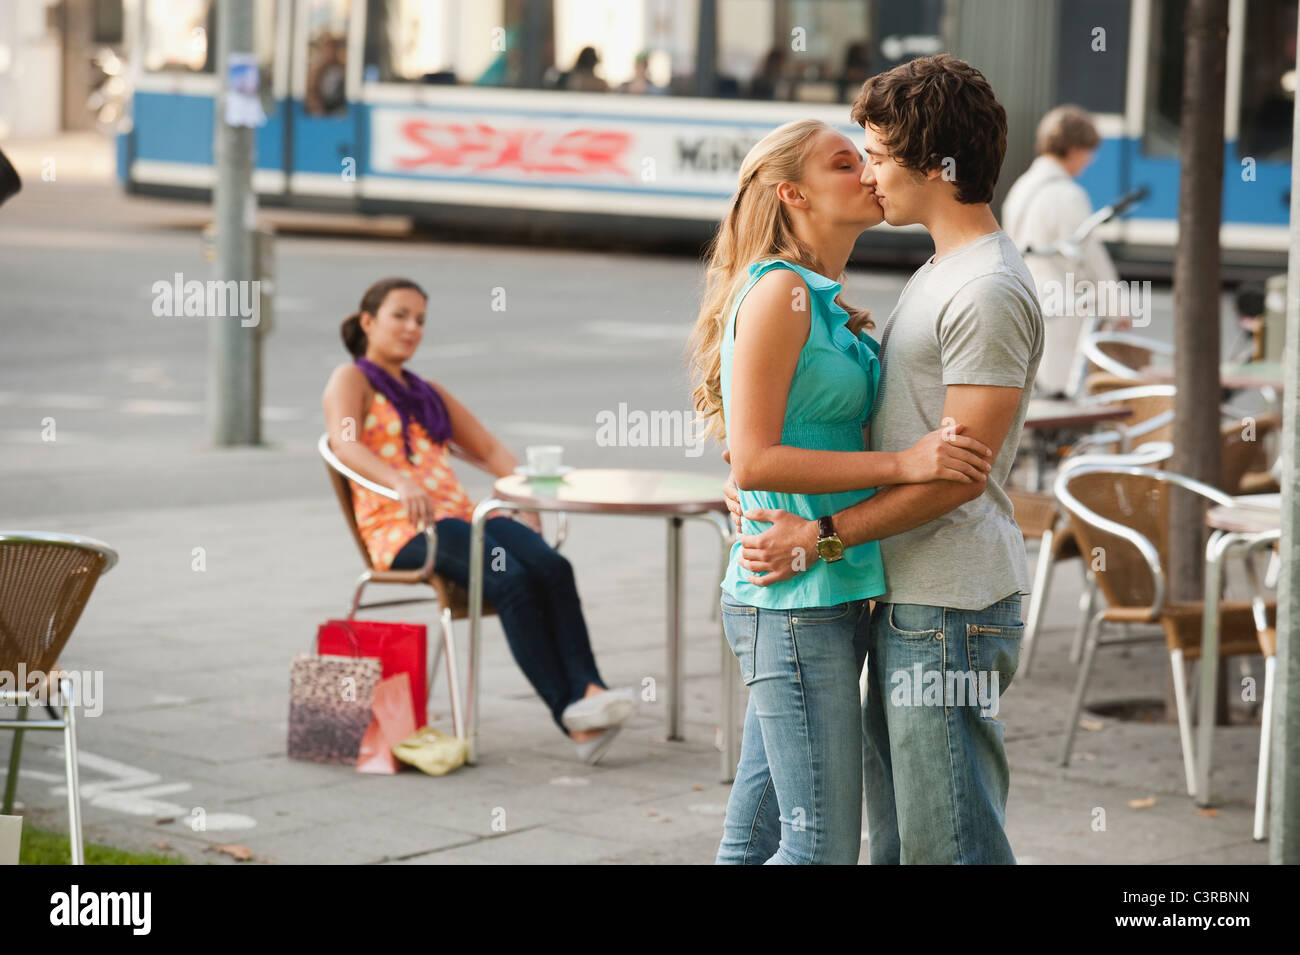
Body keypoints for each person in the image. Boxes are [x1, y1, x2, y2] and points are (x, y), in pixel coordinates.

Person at [723, 54, 1044, 864]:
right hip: (899, 597)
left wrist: (819, 534)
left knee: (950, 844)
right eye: (854, 157)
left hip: (947, 603)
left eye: (875, 154)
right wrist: (757, 477)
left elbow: (953, 474)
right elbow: (798, 429)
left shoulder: (986, 289)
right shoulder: (939, 270)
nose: (870, 175)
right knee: (898, 842)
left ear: (932, 163)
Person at [322, 277, 635, 764]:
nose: (412, 328)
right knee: (510, 580)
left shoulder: (427, 393)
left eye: (420, 320)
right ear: (368, 322)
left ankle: (590, 690)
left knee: (552, 566)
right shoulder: (352, 380)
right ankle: (572, 716)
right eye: (399, 316)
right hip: (404, 527)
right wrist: (401, 483)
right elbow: (344, 442)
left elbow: (488, 450)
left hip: (464, 520)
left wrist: (525, 495)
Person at [1002, 105, 1123, 396]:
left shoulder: (1020, 188)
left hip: (1024, 304)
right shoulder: (1068, 195)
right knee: (1063, 397)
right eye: (1087, 151)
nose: (1089, 160)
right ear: (1072, 148)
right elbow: (1090, 257)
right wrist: (1117, 307)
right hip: (1061, 310)